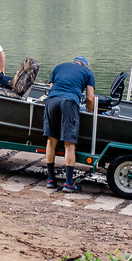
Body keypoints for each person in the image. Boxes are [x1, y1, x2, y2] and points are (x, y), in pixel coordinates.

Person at [43, 55, 96, 192]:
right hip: (69, 102)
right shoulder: (88, 72)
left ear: (73, 62)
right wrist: (89, 113)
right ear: (84, 65)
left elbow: (52, 88)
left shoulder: (59, 67)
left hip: (52, 100)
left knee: (51, 140)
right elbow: (90, 98)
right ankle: (68, 183)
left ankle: (50, 179)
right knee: (69, 142)